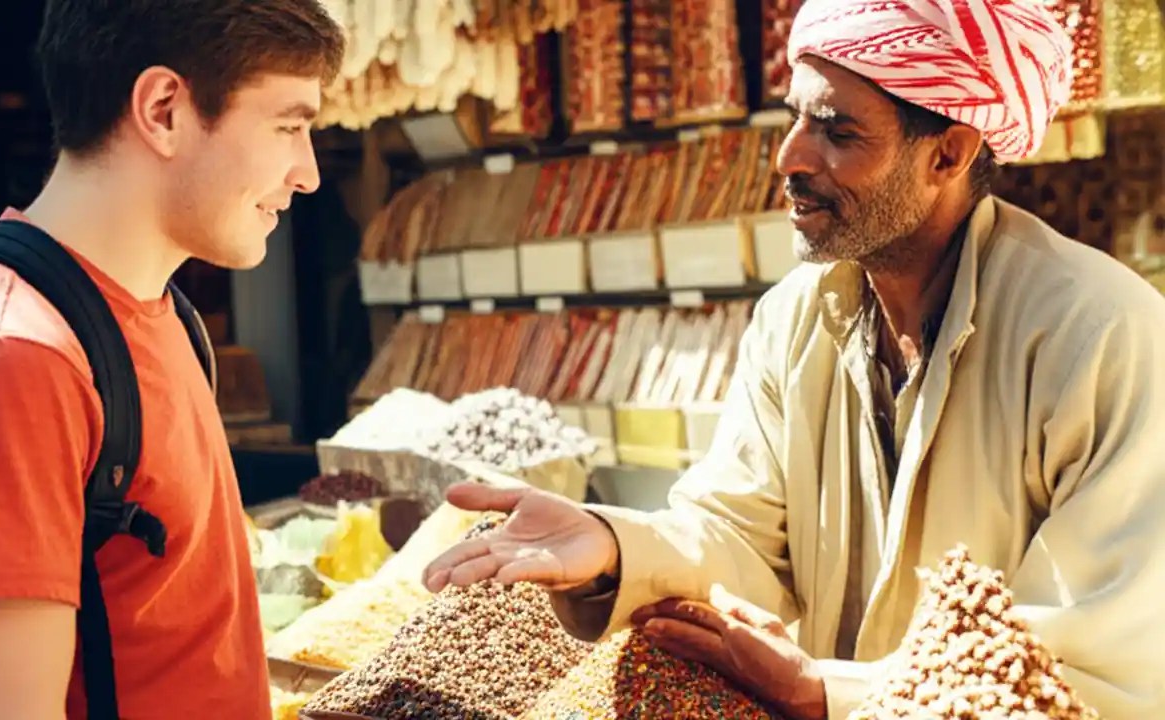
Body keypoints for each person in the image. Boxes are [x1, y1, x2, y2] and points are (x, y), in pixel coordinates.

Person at [423, 1, 1165, 718]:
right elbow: (743, 535)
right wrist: (615, 546)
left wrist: (831, 695)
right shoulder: (794, 317)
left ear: (949, 152)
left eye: (838, 132)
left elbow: (1087, 667)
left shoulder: (1099, 336)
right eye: (795, 118)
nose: (789, 157)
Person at [0, 1, 343, 718]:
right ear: (163, 109)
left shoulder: (159, 313)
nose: (308, 173)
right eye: (289, 126)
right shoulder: (4, 357)